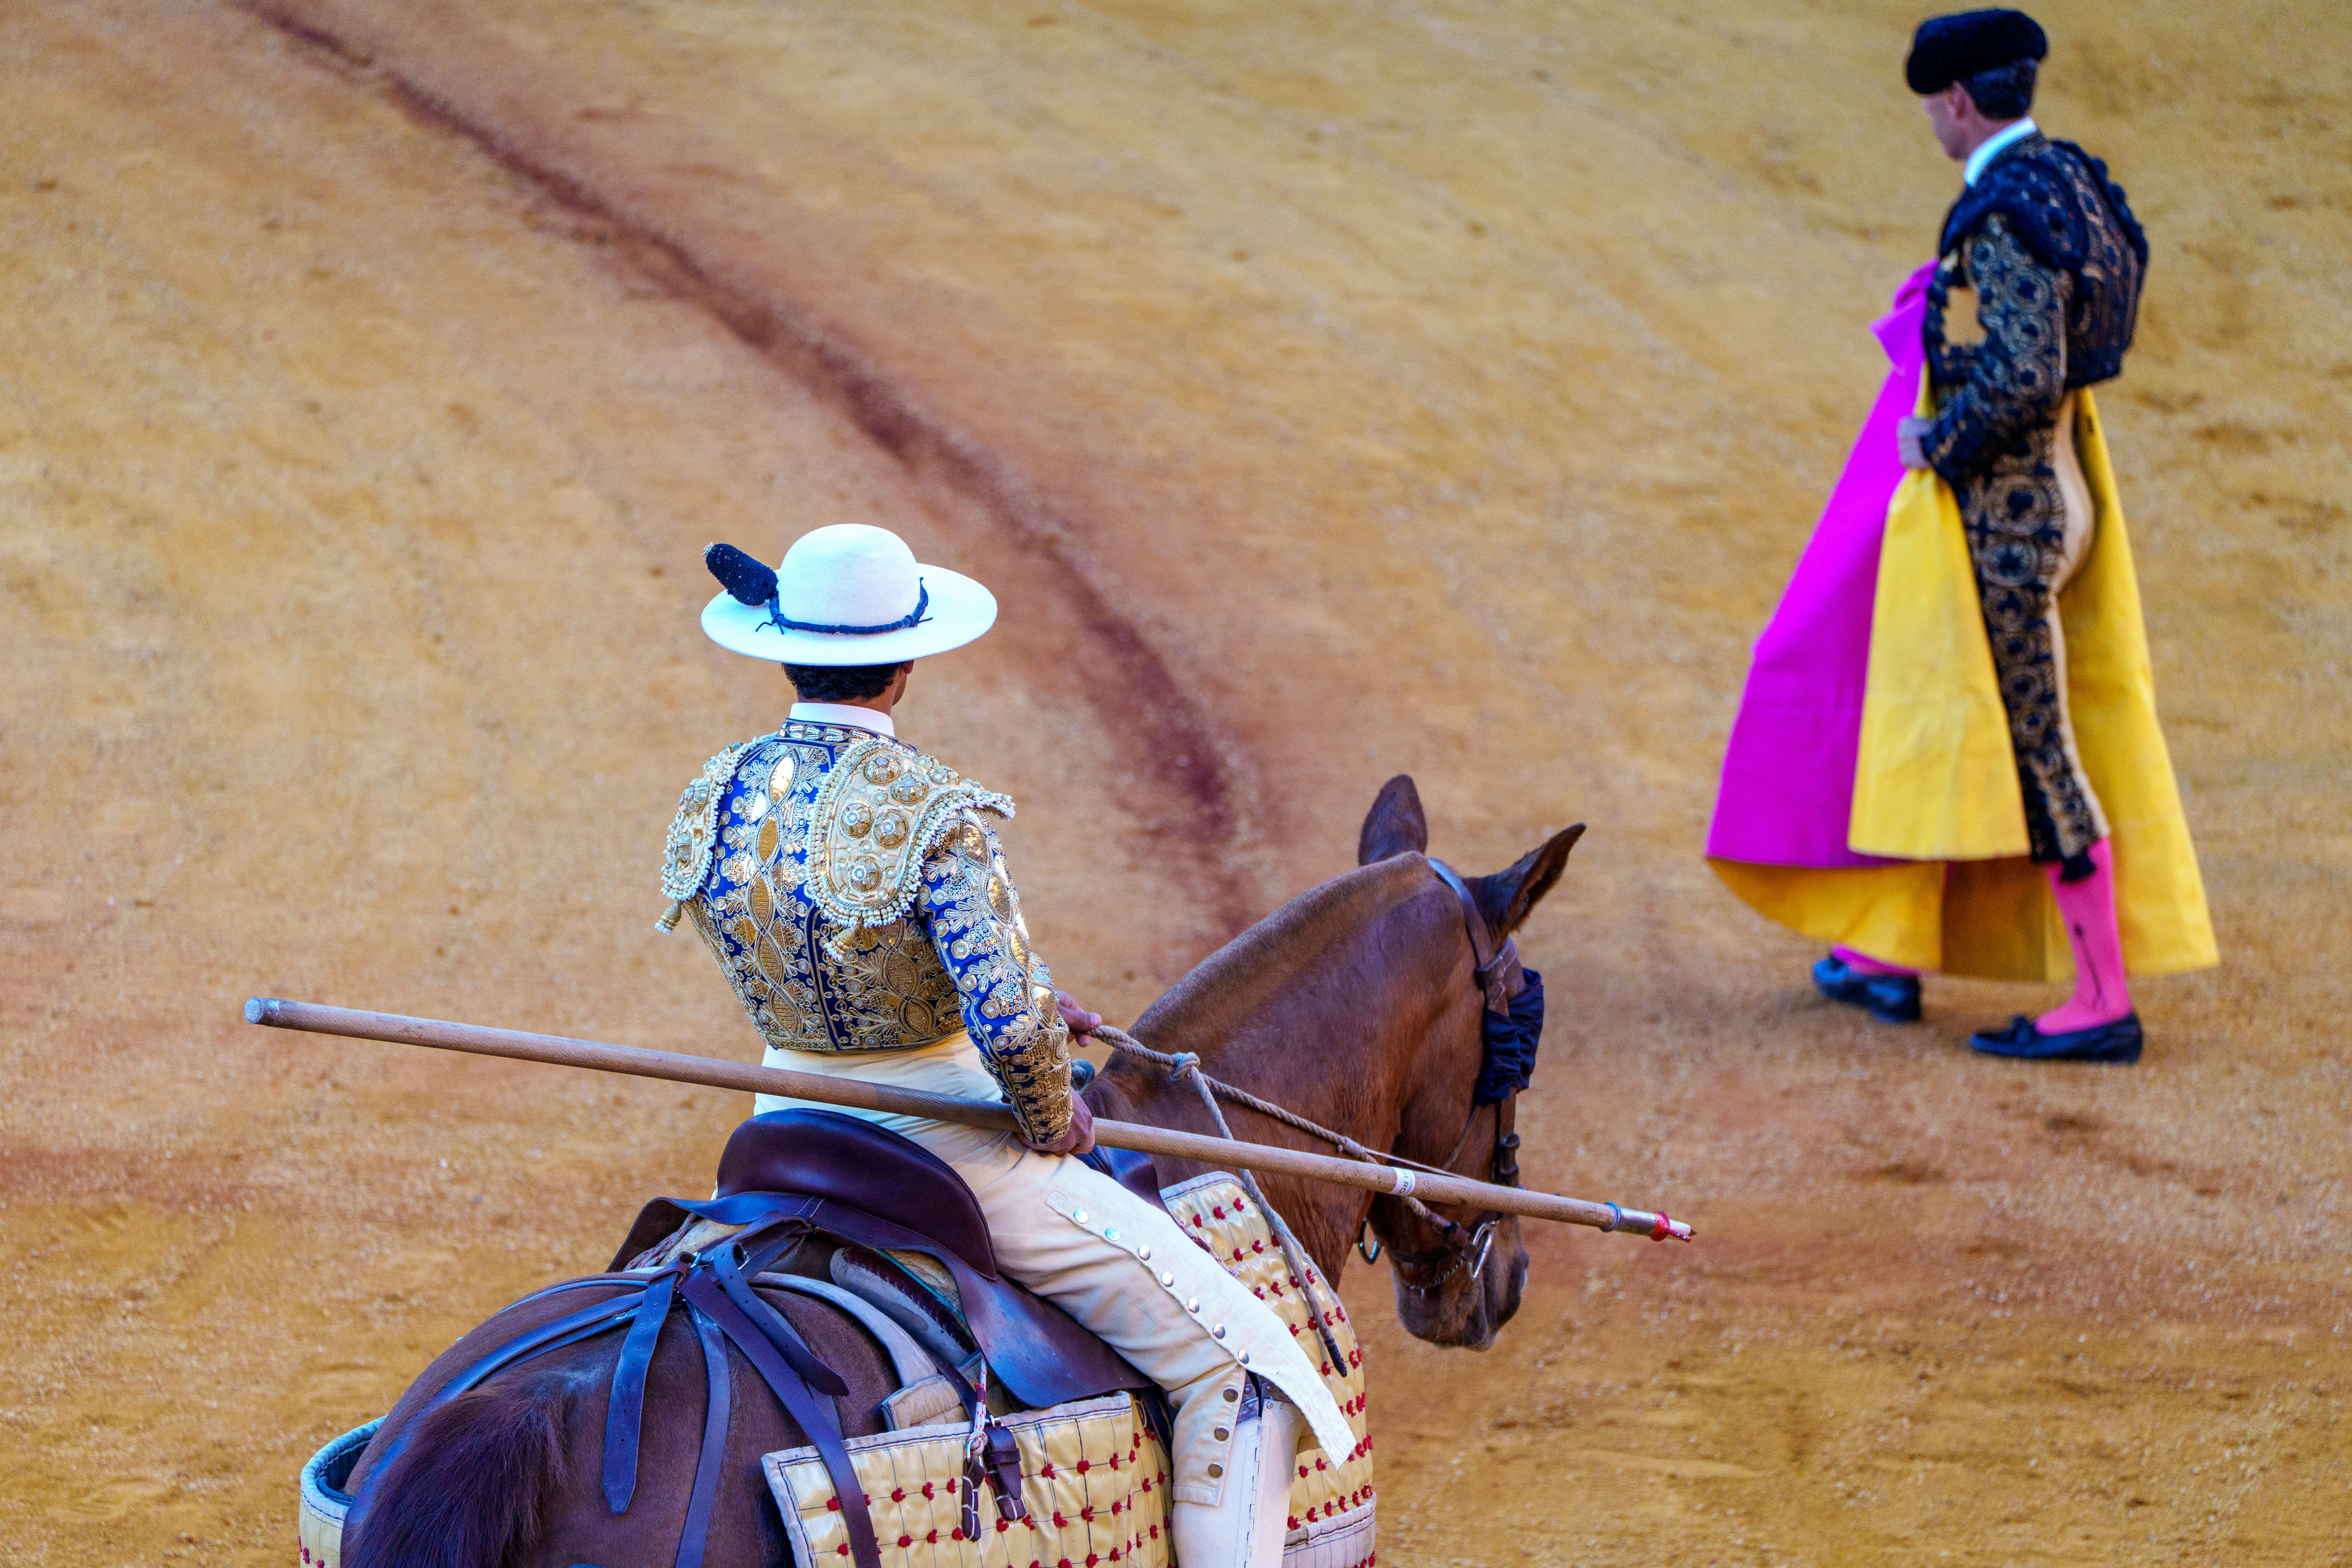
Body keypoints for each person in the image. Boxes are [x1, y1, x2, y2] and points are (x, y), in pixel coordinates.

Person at [656, 523, 1354, 1567]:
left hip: (784, 1126)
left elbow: (811, 960)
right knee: (1244, 1373)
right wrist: (1051, 1111)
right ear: (905, 665)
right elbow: (1012, 1027)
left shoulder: (720, 796)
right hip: (945, 1151)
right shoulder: (930, 814)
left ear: (785, 650)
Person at [1706, 9, 2215, 1062]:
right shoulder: (2073, 179)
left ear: (1955, 101)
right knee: (1949, 722)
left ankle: (2103, 1000)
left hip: (2005, 520)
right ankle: (1887, 951)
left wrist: (1939, 439)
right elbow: (2095, 326)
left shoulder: (1998, 212)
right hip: (2068, 486)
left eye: (1932, 110)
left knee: (2029, 751)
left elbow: (2025, 371)